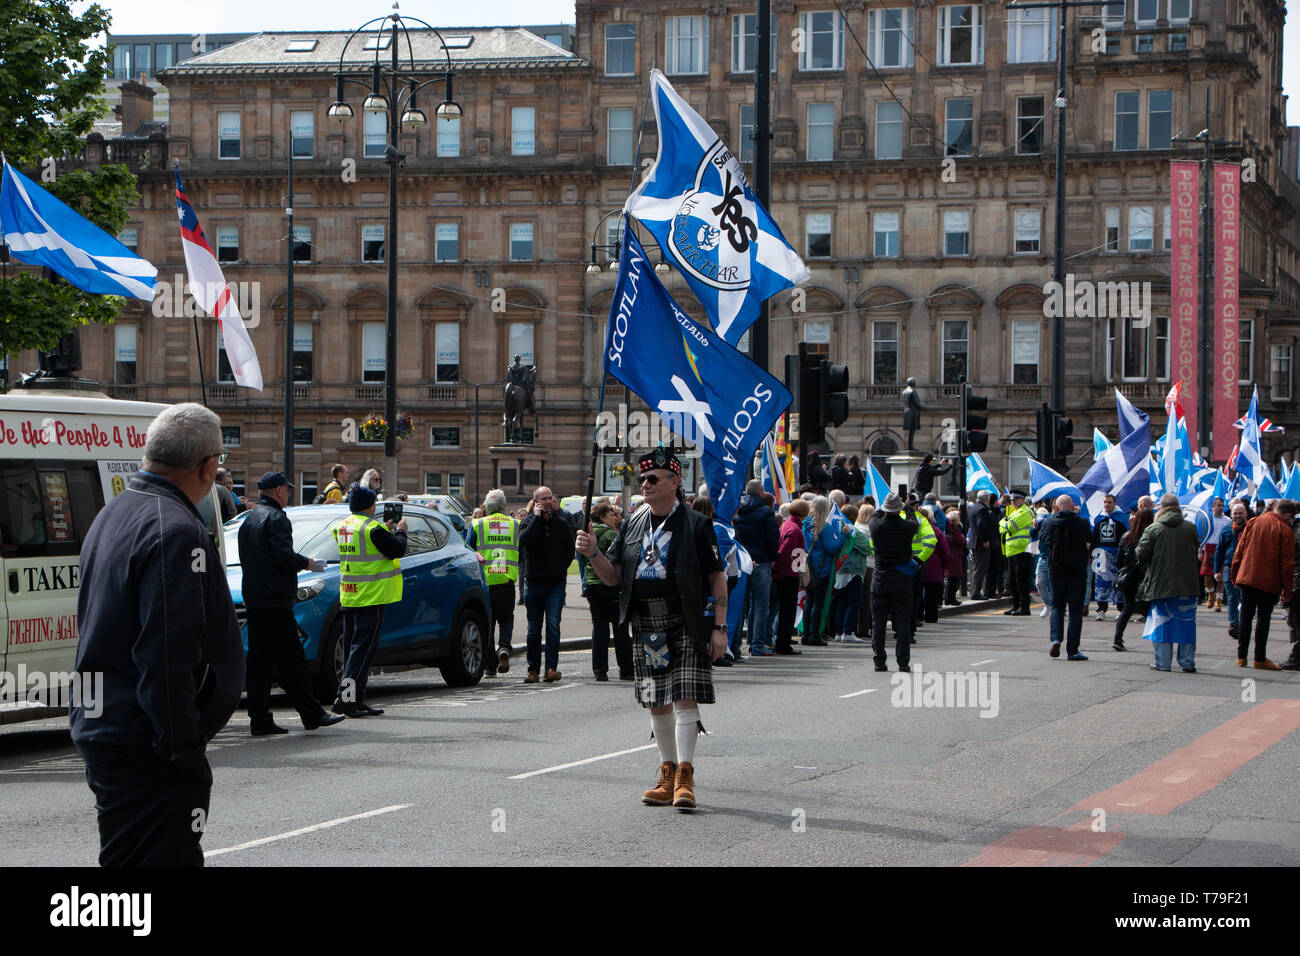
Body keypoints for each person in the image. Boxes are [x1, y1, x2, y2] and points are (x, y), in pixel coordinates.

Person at [70, 403, 245, 866]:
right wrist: (181, 747)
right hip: (147, 741)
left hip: (112, 725)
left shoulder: (113, 514)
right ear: (208, 467)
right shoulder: (176, 529)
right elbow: (167, 651)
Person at [576, 448, 727, 811]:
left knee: (684, 697)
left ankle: (685, 776)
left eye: (653, 478)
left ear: (675, 482)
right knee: (655, 700)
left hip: (685, 620)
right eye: (642, 479)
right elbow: (612, 578)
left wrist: (719, 628)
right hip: (645, 623)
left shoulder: (696, 524)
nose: (645, 484)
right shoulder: (631, 523)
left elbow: (717, 578)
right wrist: (594, 553)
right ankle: (666, 772)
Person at [239, 472, 344, 735]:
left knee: (260, 662)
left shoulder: (249, 518)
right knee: (292, 659)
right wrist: (307, 563)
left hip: (254, 597)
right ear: (276, 491)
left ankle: (260, 719)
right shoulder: (276, 518)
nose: (288, 494)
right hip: (275, 599)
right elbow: (283, 556)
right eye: (286, 490)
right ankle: (312, 714)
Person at [330, 485, 408, 716]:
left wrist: (387, 530)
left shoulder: (343, 525)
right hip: (370, 595)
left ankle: (357, 697)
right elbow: (397, 550)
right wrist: (401, 531)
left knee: (352, 650)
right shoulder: (372, 527)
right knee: (361, 652)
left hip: (350, 593)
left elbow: (367, 547)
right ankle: (345, 700)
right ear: (371, 505)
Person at [1136, 493, 1202, 672]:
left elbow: (1140, 554)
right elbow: (1196, 548)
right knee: (1186, 624)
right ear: (1178, 507)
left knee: (1162, 624)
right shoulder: (1190, 528)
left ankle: (1163, 663)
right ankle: (1187, 662)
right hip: (1187, 585)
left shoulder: (1153, 529)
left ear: (1161, 508)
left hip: (1161, 584)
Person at [1229, 498, 1296, 670]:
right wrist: (1287, 591)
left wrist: (1235, 574)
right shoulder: (1285, 530)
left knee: (1245, 615)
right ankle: (1259, 658)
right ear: (1287, 514)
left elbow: (1240, 550)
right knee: (1263, 619)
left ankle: (1241, 657)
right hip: (1269, 580)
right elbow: (1287, 565)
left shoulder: (1253, 522)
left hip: (1248, 576)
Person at [518, 485, 575, 683]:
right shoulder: (528, 522)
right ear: (536, 502)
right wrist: (535, 518)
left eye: (550, 498)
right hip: (534, 583)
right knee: (533, 629)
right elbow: (525, 541)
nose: (548, 502)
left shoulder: (561, 523)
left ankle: (551, 668)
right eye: (543, 499)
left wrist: (561, 567)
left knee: (553, 626)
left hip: (555, 584)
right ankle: (532, 670)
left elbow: (570, 549)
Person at [468, 489, 520, 675]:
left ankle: (490, 666)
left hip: (484, 582)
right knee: (506, 619)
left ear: (487, 507)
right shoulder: (516, 524)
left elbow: (468, 551)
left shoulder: (477, 524)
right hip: (506, 580)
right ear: (504, 506)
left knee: (487, 624)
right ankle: (504, 648)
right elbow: (521, 552)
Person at [868, 493, 920, 672]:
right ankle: (903, 661)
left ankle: (879, 660)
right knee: (903, 622)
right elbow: (914, 519)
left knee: (879, 622)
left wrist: (884, 503)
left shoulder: (876, 526)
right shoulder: (907, 527)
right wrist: (906, 506)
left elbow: (874, 514)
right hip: (902, 580)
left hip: (881, 578)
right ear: (899, 510)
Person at [1038, 494, 1093, 661]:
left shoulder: (1048, 523)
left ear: (1055, 508)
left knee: (1057, 607)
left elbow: (1043, 543)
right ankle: (1073, 650)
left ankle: (1056, 639)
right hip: (1077, 571)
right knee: (1075, 611)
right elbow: (1090, 541)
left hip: (1056, 571)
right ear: (1073, 507)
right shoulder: (1082, 523)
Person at [584, 501, 632, 680]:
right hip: (611, 586)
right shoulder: (612, 535)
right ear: (602, 517)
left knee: (599, 627)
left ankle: (599, 670)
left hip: (592, 583)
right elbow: (623, 558)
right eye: (612, 515)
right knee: (620, 628)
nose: (615, 518)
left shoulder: (589, 533)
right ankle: (626, 669)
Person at [732, 479, 779, 656]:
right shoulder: (766, 512)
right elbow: (773, 538)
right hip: (761, 560)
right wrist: (771, 557)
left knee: (741, 604)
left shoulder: (738, 510)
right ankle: (757, 643)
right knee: (760, 604)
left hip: (743, 560)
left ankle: (736, 646)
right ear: (761, 493)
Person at [801, 495, 846, 646]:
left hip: (807, 568)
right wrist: (842, 535)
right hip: (822, 569)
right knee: (818, 602)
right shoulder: (825, 528)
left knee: (809, 601)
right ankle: (814, 634)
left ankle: (805, 634)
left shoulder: (805, 524)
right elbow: (832, 548)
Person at [1112, 507, 1155, 651]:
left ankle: (1118, 638)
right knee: (1152, 609)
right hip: (1145, 578)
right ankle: (1160, 642)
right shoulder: (1151, 536)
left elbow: (1119, 559)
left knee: (1128, 608)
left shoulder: (1126, 537)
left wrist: (1123, 570)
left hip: (1129, 578)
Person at [827, 504, 870, 643]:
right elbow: (867, 547)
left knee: (841, 602)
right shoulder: (853, 532)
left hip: (839, 570)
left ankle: (839, 632)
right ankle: (848, 631)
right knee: (853, 602)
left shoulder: (836, 531)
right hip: (853, 570)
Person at [773, 498, 809, 655]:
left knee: (784, 610)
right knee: (788, 611)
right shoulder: (795, 529)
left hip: (784, 572)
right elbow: (786, 551)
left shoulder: (787, 525)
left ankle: (782, 641)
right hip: (788, 573)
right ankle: (783, 644)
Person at [1091, 494, 1128, 621]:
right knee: (1101, 583)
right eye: (1105, 502)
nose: (1107, 505)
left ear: (1115, 503)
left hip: (1117, 555)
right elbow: (1094, 537)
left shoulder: (1122, 519)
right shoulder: (1099, 518)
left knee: (1119, 582)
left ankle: (1120, 609)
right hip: (1101, 555)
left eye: (1109, 502)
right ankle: (1101, 609)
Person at [1215, 501, 1248, 640]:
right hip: (1229, 568)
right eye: (1235, 513)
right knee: (1232, 598)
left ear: (1245, 514)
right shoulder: (1226, 530)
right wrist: (1217, 570)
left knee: (1244, 598)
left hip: (1246, 568)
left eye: (1240, 513)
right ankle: (1233, 625)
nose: (1238, 516)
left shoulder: (1250, 529)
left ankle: (1243, 624)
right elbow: (1219, 550)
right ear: (1231, 514)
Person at [1002, 490, 1034, 615]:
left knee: (1021, 581)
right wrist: (1004, 524)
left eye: (1015, 500)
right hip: (1013, 550)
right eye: (1012, 501)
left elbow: (1009, 527)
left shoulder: (1025, 512)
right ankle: (1015, 606)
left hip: (1022, 550)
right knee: (1013, 581)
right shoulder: (1015, 512)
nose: (1013, 502)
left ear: (1022, 500)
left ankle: (1024, 607)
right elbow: (1002, 528)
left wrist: (1004, 523)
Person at [919, 507, 950, 624]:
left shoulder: (915, 528)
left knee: (917, 594)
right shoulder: (936, 531)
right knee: (932, 595)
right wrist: (947, 566)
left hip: (917, 565)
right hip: (934, 568)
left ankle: (918, 616)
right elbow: (945, 551)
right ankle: (931, 617)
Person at [1200, 497, 1229, 610]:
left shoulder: (1227, 520)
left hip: (1221, 548)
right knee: (1207, 576)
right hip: (1208, 547)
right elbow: (1202, 534)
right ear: (1213, 506)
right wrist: (1200, 550)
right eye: (1219, 505)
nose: (1221, 508)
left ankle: (1218, 601)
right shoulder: (1207, 518)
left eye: (1222, 505)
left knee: (1220, 576)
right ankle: (1211, 594)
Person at [967, 491, 995, 599]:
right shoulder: (982, 509)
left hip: (974, 542)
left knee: (977, 567)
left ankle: (975, 591)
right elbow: (981, 525)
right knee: (980, 568)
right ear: (986, 499)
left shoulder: (973, 508)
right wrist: (984, 539)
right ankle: (976, 592)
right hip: (980, 543)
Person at [943, 508, 966, 606]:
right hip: (953, 556)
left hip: (955, 554)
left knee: (954, 578)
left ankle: (951, 597)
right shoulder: (953, 531)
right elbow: (959, 540)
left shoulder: (953, 529)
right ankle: (949, 598)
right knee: (952, 578)